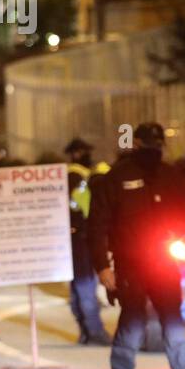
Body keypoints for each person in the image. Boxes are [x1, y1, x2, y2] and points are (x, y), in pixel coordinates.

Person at [88, 122, 185, 369]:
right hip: (131, 266)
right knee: (132, 325)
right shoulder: (118, 177)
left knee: (172, 326)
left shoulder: (169, 175)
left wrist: (179, 234)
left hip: (163, 265)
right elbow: (97, 225)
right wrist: (102, 267)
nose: (154, 150)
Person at [65, 138, 110, 347]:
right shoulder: (78, 177)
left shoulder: (70, 175)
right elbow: (83, 208)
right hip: (82, 238)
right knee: (85, 286)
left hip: (70, 238)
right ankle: (94, 332)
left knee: (77, 286)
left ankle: (85, 332)